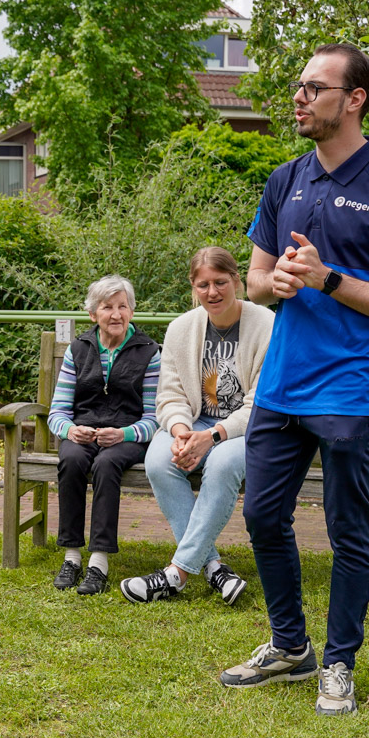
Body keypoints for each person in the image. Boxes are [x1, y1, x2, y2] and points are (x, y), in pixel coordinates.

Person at [218, 43, 369, 713]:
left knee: (347, 532)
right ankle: (291, 646)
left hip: (350, 388)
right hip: (282, 384)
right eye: (299, 86)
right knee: (261, 514)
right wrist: (278, 281)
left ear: (355, 99)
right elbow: (255, 279)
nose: (299, 97)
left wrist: (328, 279)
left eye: (315, 87)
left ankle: (339, 662)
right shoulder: (284, 180)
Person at [121, 247, 272, 606]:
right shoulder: (181, 329)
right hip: (193, 423)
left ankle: (177, 573)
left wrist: (212, 437)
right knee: (160, 461)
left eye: (220, 282)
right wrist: (179, 432)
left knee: (221, 463)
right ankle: (214, 568)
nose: (212, 292)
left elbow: (261, 403)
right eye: (203, 285)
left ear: (236, 280)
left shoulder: (267, 324)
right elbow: (170, 395)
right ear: (193, 287)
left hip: (245, 430)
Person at [47, 275, 162, 595]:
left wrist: (124, 433)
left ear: (131, 311)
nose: (116, 314)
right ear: (92, 314)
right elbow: (57, 412)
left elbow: (155, 418)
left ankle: (98, 563)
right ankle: (71, 556)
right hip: (83, 432)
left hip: (128, 437)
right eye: (107, 307)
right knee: (71, 459)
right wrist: (71, 430)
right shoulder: (77, 350)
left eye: (123, 306)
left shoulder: (149, 352)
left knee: (106, 464)